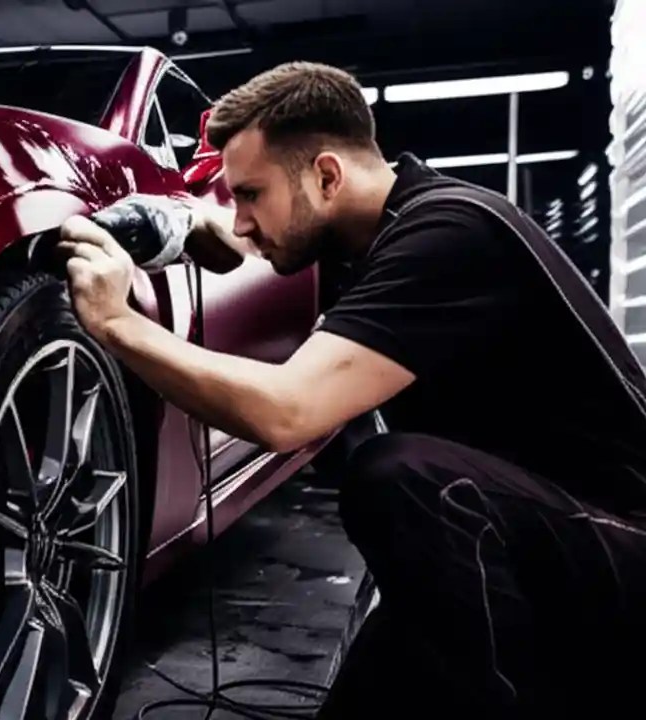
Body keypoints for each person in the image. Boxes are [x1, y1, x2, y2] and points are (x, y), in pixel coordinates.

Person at [58, 61, 646, 717]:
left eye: (250, 194)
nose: (243, 221)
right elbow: (240, 243)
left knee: (402, 477)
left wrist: (116, 322)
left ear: (327, 176)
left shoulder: (448, 235)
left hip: (621, 551)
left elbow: (287, 414)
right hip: (541, 526)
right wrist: (184, 223)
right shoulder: (374, 227)